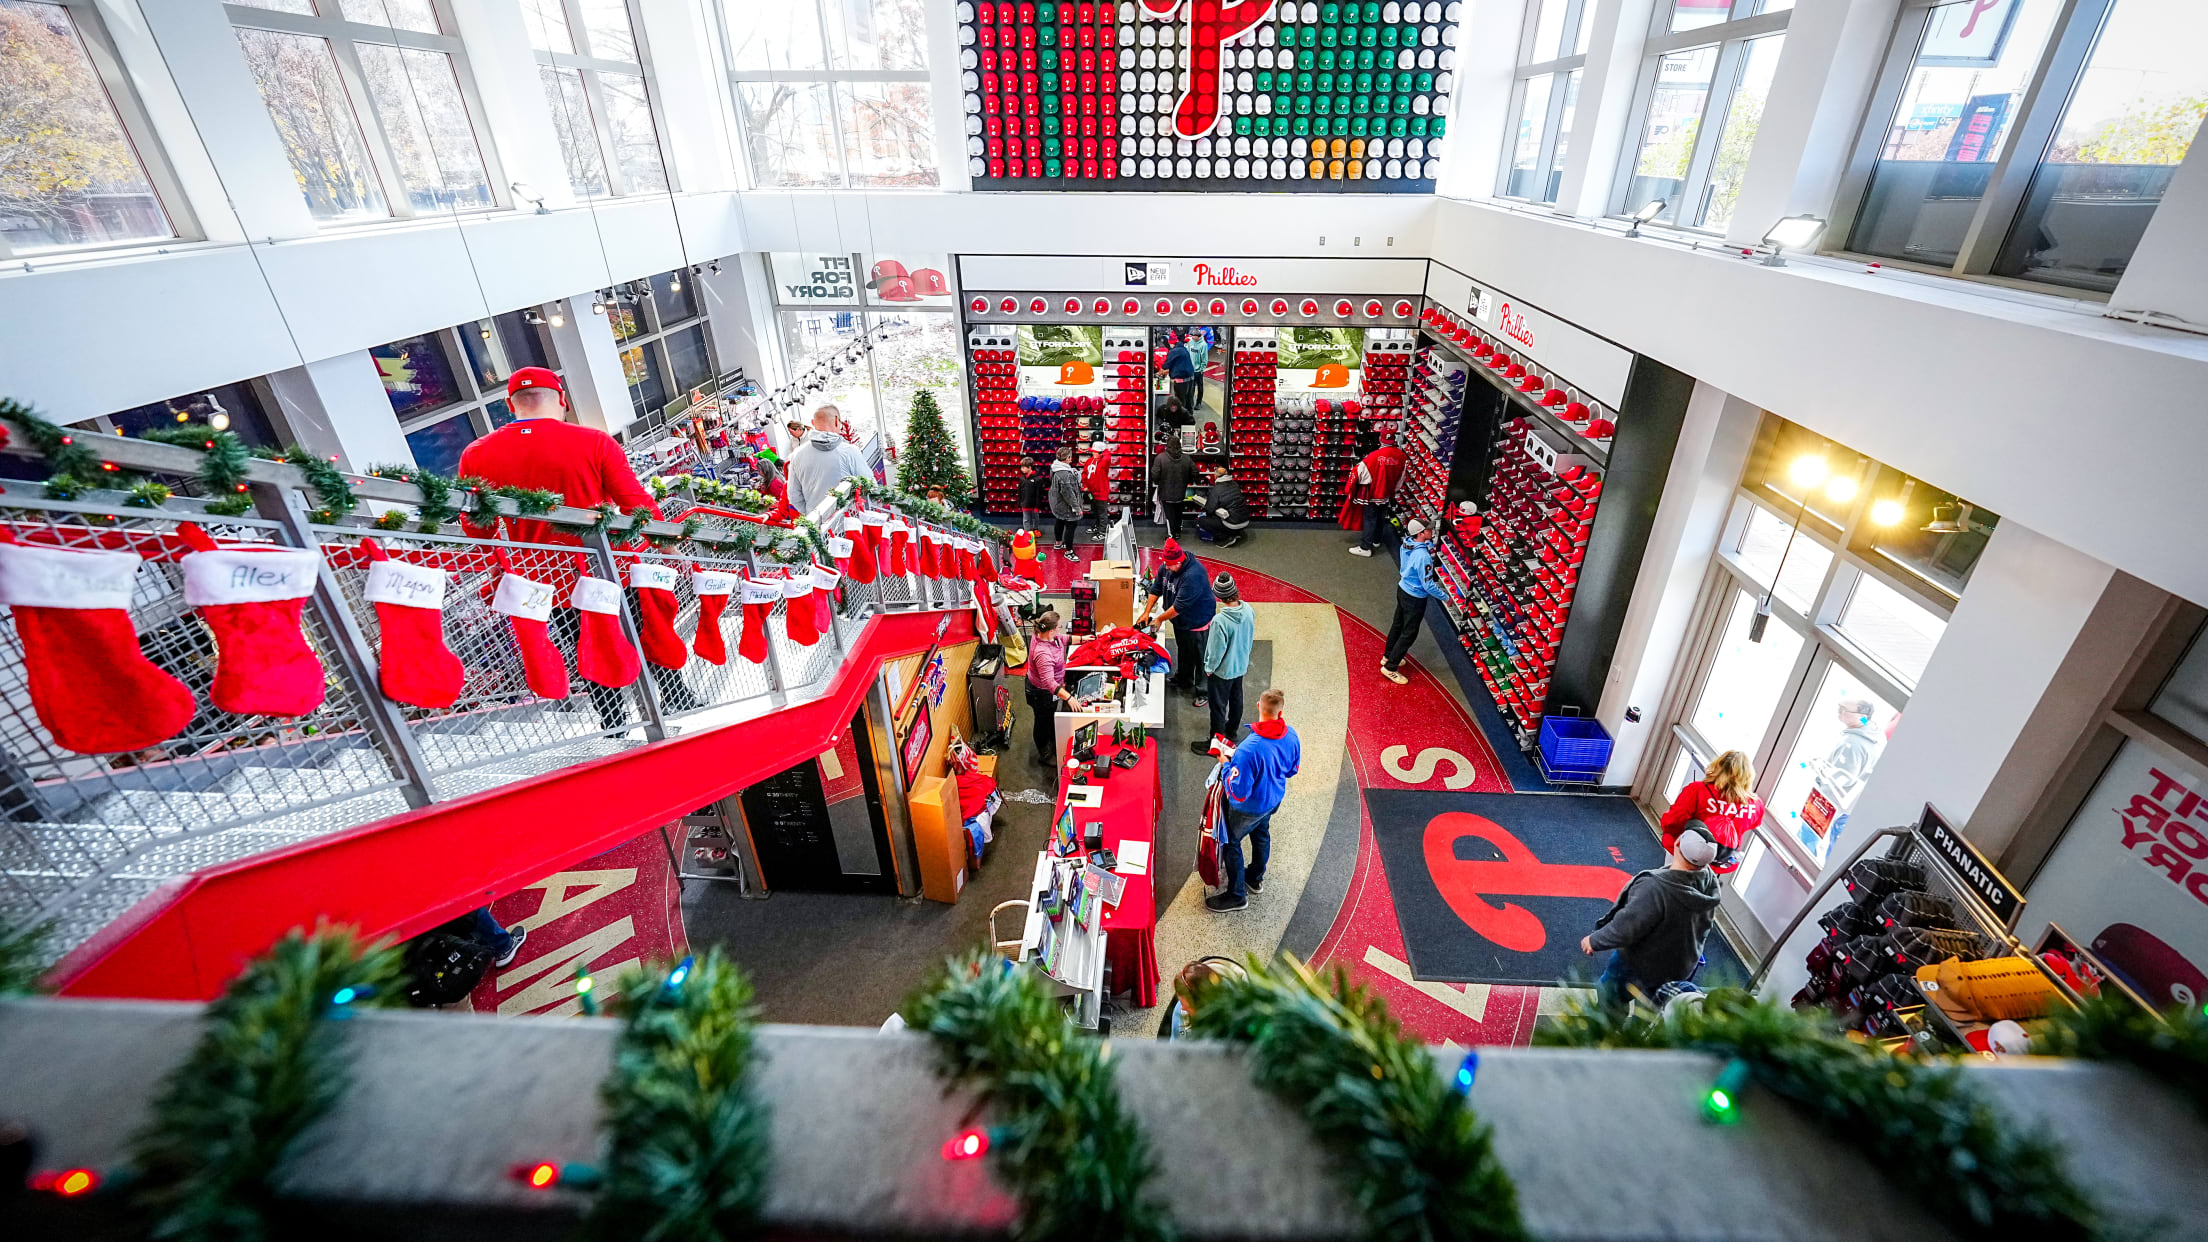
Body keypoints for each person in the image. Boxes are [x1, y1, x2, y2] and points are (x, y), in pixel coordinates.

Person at [458, 368, 696, 727]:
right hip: (609, 568)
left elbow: (477, 525)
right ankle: (677, 700)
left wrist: (495, 568)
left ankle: (615, 723)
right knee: (645, 634)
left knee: (588, 647)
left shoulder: (477, 453)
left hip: (547, 577)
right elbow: (637, 505)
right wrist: (668, 548)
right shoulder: (594, 442)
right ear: (563, 401)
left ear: (510, 404)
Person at [1581, 822, 1722, 1010]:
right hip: (1682, 965)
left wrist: (1594, 940)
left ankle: (1607, 1033)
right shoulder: (1710, 882)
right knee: (1652, 1009)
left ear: (1678, 843)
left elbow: (1627, 927)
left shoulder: (1656, 888)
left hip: (1639, 964)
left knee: (1610, 997)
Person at [1210, 688, 1300, 912]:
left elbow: (1238, 792)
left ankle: (1236, 895)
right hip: (1273, 800)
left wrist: (1226, 763)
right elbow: (1292, 770)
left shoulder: (1249, 749)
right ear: (1281, 711)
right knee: (1261, 833)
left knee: (1232, 843)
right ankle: (1255, 877)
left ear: (1259, 707)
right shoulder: (1292, 736)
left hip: (1248, 808)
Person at [1134, 537, 1216, 706]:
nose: (1166, 568)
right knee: (1184, 650)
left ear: (1179, 562)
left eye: (1170, 565)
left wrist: (1158, 620)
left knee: (1200, 658)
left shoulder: (1194, 575)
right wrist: (1146, 612)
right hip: (1180, 621)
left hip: (1197, 621)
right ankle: (1183, 679)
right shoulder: (1167, 567)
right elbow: (1156, 588)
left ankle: (1203, 691)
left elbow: (1179, 606)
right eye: (1165, 564)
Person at [1660, 750, 1763, 876]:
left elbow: (1673, 821)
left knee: (1668, 884)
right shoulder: (1755, 805)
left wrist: (1669, 834)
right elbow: (1752, 824)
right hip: (1718, 860)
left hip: (1685, 853)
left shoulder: (1698, 790)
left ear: (1717, 767)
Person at [1379, 518, 1440, 685]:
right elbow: (1428, 584)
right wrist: (1445, 597)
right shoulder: (1423, 557)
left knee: (1397, 624)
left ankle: (1388, 656)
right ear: (1421, 533)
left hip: (1403, 589)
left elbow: (1418, 551)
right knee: (1409, 633)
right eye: (1428, 530)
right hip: (1415, 596)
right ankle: (1391, 668)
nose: (1431, 531)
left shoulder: (1407, 543)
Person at [1198, 571, 1253, 752]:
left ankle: (1217, 743)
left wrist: (1209, 668)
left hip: (1222, 671)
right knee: (1236, 699)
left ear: (1219, 596)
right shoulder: (1248, 610)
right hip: (1240, 665)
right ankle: (1232, 731)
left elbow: (1215, 651)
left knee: (1218, 706)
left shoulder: (1220, 621)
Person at [784, 404, 871, 515]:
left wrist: (813, 514)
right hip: (850, 521)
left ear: (813, 423)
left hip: (817, 525)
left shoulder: (797, 455)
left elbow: (793, 495)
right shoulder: (850, 451)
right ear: (836, 421)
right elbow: (869, 485)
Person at [1024, 610, 1078, 767]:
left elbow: (1062, 639)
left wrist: (1082, 639)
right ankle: (1045, 754)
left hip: (1047, 691)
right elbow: (1050, 683)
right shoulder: (1042, 653)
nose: (1060, 629)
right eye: (1059, 626)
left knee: (1049, 718)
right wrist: (1069, 697)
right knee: (1042, 721)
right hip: (1040, 693)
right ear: (1051, 630)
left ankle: (1052, 741)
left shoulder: (1046, 635)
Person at [1342, 433, 1406, 556]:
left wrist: (1351, 487)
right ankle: (1376, 540)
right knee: (1381, 517)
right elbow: (1402, 477)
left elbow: (1359, 472)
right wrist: (1393, 490)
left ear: (1380, 440)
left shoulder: (1374, 456)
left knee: (1370, 518)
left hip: (1373, 492)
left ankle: (1365, 547)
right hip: (1387, 493)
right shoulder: (1401, 455)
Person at [1157, 955, 1247, 1038]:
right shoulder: (1180, 1011)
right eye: (1180, 1001)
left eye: (1188, 1006)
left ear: (1203, 1007)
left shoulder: (1239, 1018)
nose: (1182, 1008)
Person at [1149, 436, 1195, 542]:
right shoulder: (1186, 458)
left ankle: (1171, 534)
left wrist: (1158, 481)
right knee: (1178, 511)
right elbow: (1195, 471)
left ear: (1167, 446)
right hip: (1181, 490)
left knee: (1169, 514)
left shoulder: (1160, 458)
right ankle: (1178, 532)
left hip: (1165, 490)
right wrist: (1188, 480)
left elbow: (1155, 473)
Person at [1196, 465, 1250, 548]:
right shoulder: (1235, 484)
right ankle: (1235, 533)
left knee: (1202, 520)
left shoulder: (1216, 489)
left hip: (1233, 523)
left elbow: (1209, 510)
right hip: (1245, 520)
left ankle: (1225, 538)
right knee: (1226, 513)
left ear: (1215, 476)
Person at [1047, 446, 1085, 552]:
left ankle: (1058, 543)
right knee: (1071, 527)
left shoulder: (1055, 468)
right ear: (1068, 458)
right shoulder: (1065, 475)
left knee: (1059, 521)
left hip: (1057, 503)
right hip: (1067, 507)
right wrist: (1077, 508)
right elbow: (1069, 494)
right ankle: (1069, 551)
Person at [1080, 439, 1112, 538]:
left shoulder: (1104, 462)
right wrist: (1085, 486)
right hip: (1090, 491)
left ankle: (1102, 532)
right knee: (1095, 510)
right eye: (1093, 451)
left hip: (1101, 492)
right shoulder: (1090, 461)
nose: (1093, 453)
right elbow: (1084, 474)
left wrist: (1104, 450)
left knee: (1102, 512)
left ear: (1101, 453)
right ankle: (1097, 526)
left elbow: (1108, 456)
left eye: (1096, 452)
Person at [1165, 334, 1197, 413]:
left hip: (1181, 380)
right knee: (1189, 398)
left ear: (1171, 343)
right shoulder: (1183, 348)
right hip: (1191, 377)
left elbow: (1166, 365)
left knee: (1180, 400)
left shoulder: (1174, 351)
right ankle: (1189, 417)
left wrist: (1161, 372)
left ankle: (1182, 419)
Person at [1017, 457, 1050, 532]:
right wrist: (1019, 503)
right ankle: (1027, 532)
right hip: (1025, 503)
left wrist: (1037, 506)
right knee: (1026, 519)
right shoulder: (1022, 478)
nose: (1021, 469)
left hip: (1034, 504)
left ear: (1029, 467)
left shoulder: (1038, 479)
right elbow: (1019, 492)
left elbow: (1039, 494)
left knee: (1035, 518)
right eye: (1021, 467)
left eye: (1023, 467)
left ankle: (1035, 529)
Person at [1187, 329, 1211, 409]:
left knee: (1200, 387)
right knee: (1191, 388)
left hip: (1198, 370)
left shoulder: (1203, 345)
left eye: (1193, 336)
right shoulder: (1190, 342)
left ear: (1198, 336)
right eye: (1192, 336)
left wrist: (1202, 369)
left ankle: (1199, 402)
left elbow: (1204, 358)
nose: (1192, 337)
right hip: (1191, 369)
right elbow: (1188, 352)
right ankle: (1191, 403)